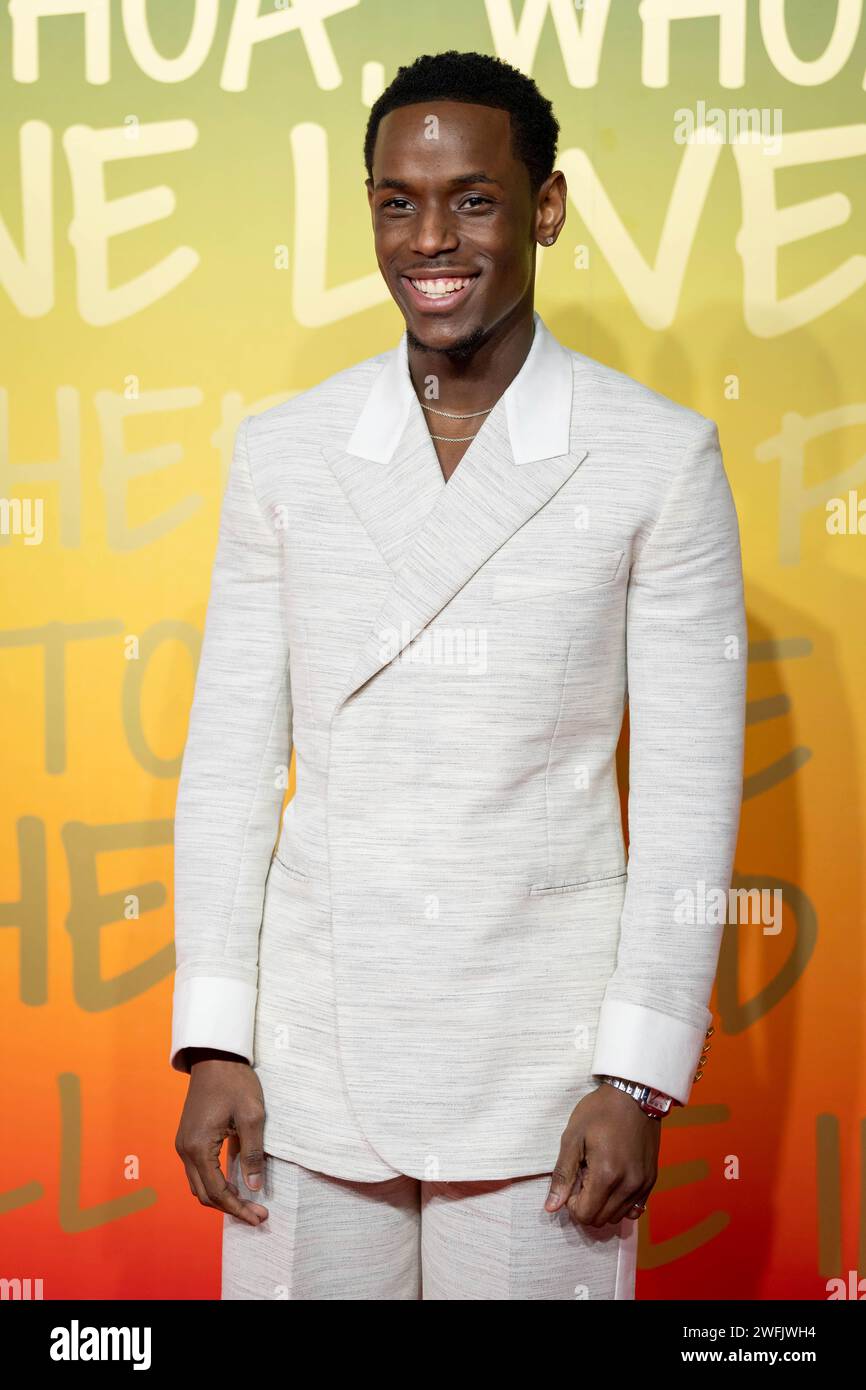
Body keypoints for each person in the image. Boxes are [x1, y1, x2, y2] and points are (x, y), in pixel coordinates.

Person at [171, 50, 746, 1301]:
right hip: (310, 1050)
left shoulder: (654, 456)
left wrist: (635, 1071)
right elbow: (226, 759)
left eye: (472, 199)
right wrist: (215, 1035)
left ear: (544, 205)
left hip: (544, 1065)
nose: (429, 237)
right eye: (396, 200)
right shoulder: (285, 452)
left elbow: (693, 800)